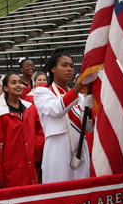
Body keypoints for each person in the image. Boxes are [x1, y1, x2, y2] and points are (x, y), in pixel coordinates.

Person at [32, 53, 94, 183]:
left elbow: (88, 128)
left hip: (80, 148)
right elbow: (57, 110)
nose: (69, 69)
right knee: (59, 185)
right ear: (53, 69)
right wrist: (79, 84)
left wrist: (88, 110)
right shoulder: (43, 92)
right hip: (57, 148)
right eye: (64, 65)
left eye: (71, 66)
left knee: (81, 186)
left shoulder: (79, 96)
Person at [0, 72, 44, 189]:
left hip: (30, 166)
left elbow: (40, 130)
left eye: (20, 82)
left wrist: (33, 146)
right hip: (10, 172)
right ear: (5, 88)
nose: (18, 85)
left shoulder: (30, 108)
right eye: (13, 82)